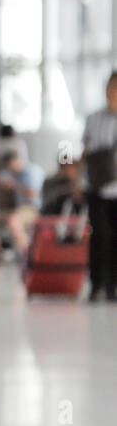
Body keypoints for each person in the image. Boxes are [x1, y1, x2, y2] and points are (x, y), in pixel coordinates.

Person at [82, 71, 117, 301]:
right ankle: (96, 285)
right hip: (96, 187)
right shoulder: (93, 118)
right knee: (98, 237)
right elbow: (85, 151)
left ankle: (113, 286)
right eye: (110, 87)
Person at [0, 150, 44, 261]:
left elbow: (32, 194)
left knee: (14, 221)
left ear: (16, 161)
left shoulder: (32, 172)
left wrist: (15, 186)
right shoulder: (12, 173)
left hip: (31, 209)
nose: (9, 170)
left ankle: (29, 255)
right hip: (16, 209)